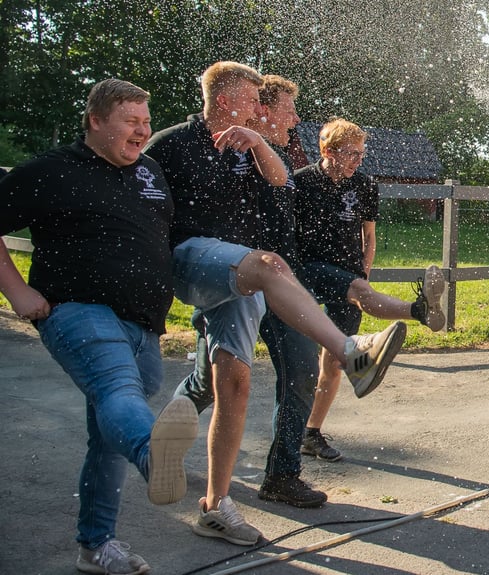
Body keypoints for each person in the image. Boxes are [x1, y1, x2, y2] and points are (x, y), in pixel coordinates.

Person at [146, 62, 406, 546]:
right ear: (253, 106)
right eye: (285, 110)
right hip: (243, 272)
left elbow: (281, 189)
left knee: (232, 378)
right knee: (247, 375)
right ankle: (346, 362)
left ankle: (251, 475)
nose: (292, 119)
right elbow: (151, 204)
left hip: (269, 281)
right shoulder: (185, 144)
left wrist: (264, 144)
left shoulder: (264, 152)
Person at [0, 78, 199, 575]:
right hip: (78, 310)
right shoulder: (51, 171)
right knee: (117, 391)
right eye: (131, 121)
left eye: (146, 122)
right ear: (95, 120)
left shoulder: (150, 171)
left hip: (144, 325)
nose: (142, 131)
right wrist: (16, 291)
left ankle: (96, 546)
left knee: (111, 425)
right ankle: (153, 455)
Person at [293, 118, 446, 460]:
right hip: (310, 271)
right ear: (328, 151)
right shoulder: (302, 182)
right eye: (351, 154)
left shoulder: (363, 185)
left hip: (350, 274)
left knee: (333, 361)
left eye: (362, 154)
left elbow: (369, 235)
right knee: (305, 359)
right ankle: (418, 310)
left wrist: (364, 268)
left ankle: (311, 432)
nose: (358, 161)